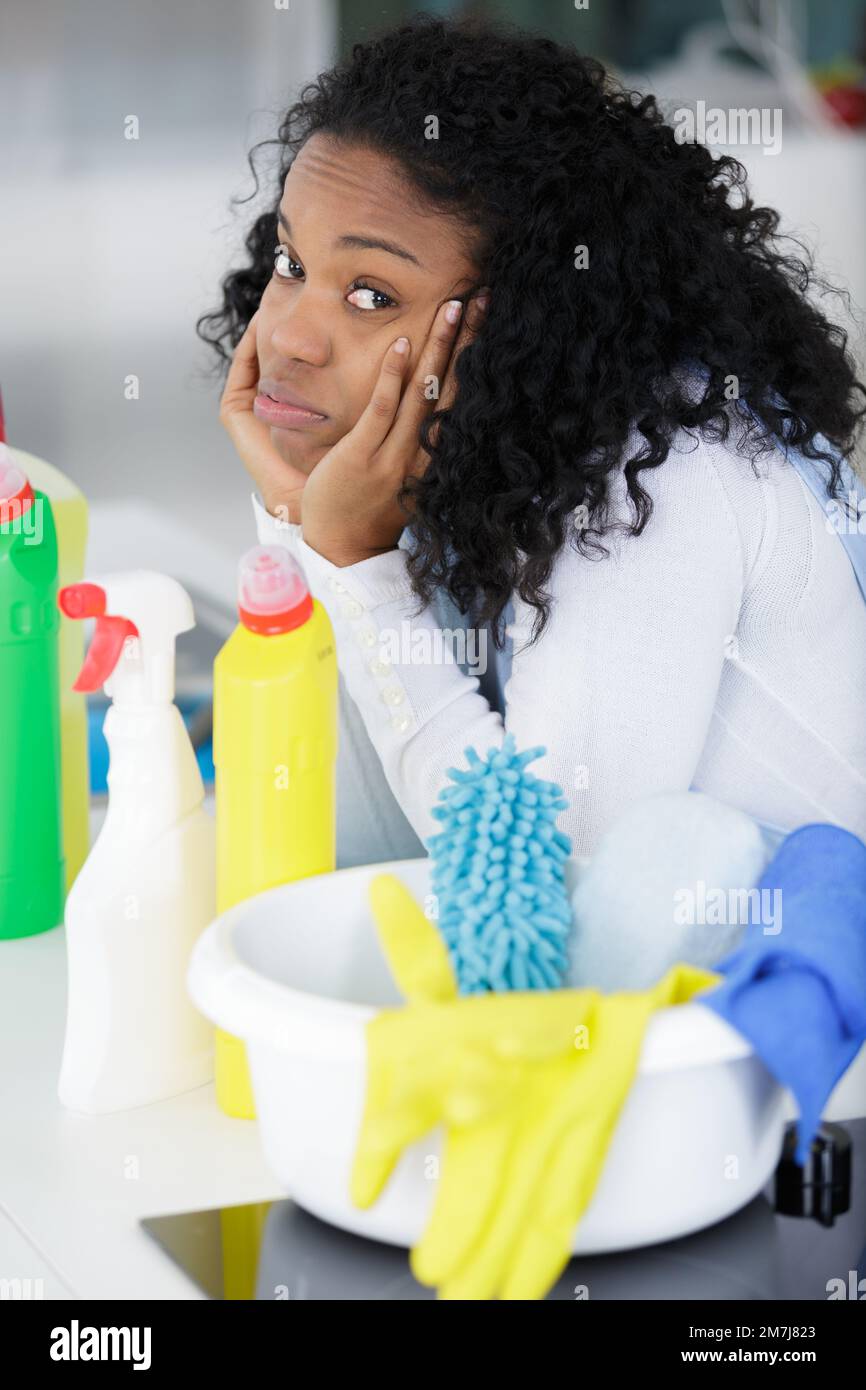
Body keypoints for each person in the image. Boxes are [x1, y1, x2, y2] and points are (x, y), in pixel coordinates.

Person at [198, 14, 866, 866]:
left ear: (525, 319)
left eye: (371, 295)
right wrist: (302, 520)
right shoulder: (502, 458)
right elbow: (368, 835)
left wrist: (354, 567)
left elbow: (532, 879)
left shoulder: (666, 476)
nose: (289, 336)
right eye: (293, 265)